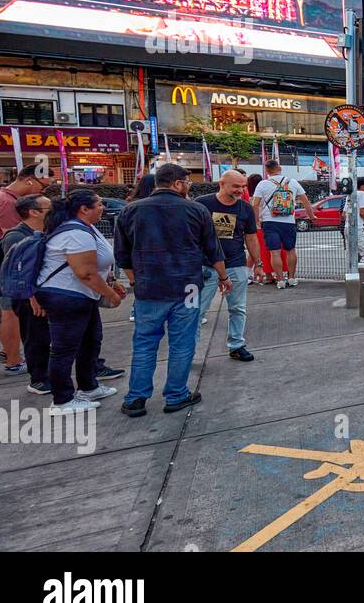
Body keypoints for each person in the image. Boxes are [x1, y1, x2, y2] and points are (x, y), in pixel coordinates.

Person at [115, 164, 228, 417]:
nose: (189, 186)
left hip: (149, 287)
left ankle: (136, 398)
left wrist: (136, 282)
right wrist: (223, 276)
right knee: (182, 342)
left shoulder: (130, 211)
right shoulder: (196, 210)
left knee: (144, 342)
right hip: (187, 286)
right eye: (187, 182)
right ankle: (176, 394)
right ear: (177, 183)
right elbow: (213, 249)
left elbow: (122, 257)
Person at [37, 190, 127, 415]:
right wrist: (109, 293)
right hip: (66, 296)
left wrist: (110, 281)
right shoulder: (75, 232)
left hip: (83, 296)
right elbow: (85, 272)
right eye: (98, 204)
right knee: (64, 349)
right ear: (83, 209)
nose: (102, 208)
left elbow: (96, 265)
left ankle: (89, 386)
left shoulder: (85, 227)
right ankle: (62, 400)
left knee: (90, 342)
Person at [0, 165, 55, 372]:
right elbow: (19, 244)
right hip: (10, 269)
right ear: (30, 180)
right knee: (11, 312)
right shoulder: (7, 202)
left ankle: (10, 353)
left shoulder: (6, 199)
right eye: (42, 187)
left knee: (13, 312)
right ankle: (14, 360)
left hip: (8, 267)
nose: (42, 192)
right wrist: (31, 293)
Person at [195, 170, 258, 362]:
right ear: (222, 184)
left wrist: (259, 263)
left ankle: (237, 345)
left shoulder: (245, 209)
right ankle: (188, 351)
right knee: (196, 311)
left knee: (238, 308)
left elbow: (251, 238)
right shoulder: (202, 204)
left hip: (235, 264)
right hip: (206, 266)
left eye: (243, 186)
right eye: (236, 186)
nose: (240, 190)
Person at [251, 160, 314, 289]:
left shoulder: (262, 184)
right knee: (290, 250)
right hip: (288, 222)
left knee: (275, 252)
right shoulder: (293, 182)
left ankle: (280, 280)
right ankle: (291, 278)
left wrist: (257, 220)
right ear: (279, 168)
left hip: (269, 222)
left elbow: (255, 204)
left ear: (267, 171)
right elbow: (306, 202)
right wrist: (312, 216)